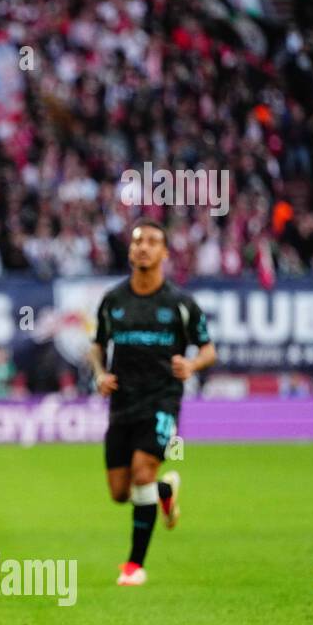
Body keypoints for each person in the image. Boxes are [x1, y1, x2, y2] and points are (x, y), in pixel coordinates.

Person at [88, 220, 217, 586]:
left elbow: (209, 349)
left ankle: (134, 565)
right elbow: (97, 346)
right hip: (122, 403)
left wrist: (191, 363)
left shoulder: (180, 304)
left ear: (164, 253)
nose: (143, 247)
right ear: (130, 251)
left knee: (143, 470)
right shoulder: (113, 301)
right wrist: (99, 373)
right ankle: (164, 492)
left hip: (162, 399)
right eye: (138, 241)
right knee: (119, 492)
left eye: (152, 242)